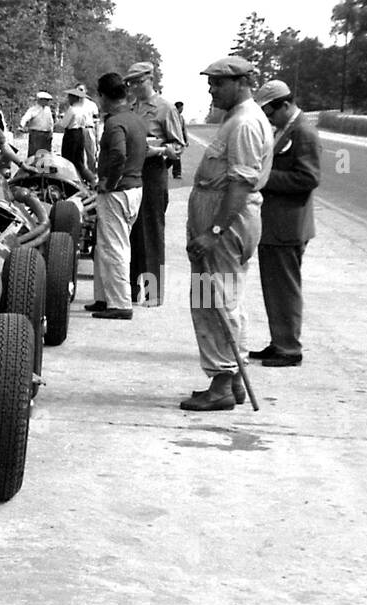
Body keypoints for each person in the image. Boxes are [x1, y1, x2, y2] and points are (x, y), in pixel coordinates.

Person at [180, 56, 272, 412]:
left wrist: (214, 231)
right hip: (220, 218)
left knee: (212, 301)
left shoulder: (246, 123)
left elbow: (240, 183)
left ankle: (220, 382)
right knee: (225, 298)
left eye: (218, 82)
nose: (211, 88)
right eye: (211, 82)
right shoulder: (235, 119)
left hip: (225, 223)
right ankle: (232, 380)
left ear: (242, 82)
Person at [250, 79, 320, 368]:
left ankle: (289, 348)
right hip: (276, 225)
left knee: (285, 289)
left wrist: (263, 178)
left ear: (286, 105)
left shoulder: (303, 132)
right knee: (275, 289)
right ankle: (280, 340)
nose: (267, 118)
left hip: (287, 225)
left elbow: (308, 178)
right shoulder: (287, 128)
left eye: (270, 112)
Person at [87, 72, 147, 320]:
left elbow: (119, 155)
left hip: (118, 191)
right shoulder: (134, 119)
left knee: (115, 248)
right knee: (105, 246)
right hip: (133, 188)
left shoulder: (115, 123)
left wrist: (108, 182)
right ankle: (105, 298)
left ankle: (120, 303)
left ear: (104, 96)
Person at [125, 61, 186, 306]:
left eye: (139, 82)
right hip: (132, 172)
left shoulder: (164, 108)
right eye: (132, 83)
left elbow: (178, 147)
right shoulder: (132, 107)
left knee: (151, 232)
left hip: (153, 172)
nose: (136, 87)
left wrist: (157, 149)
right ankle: (129, 290)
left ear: (150, 79)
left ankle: (153, 292)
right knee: (131, 232)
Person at [57, 86, 97, 185]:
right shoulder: (82, 110)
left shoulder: (72, 109)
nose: (68, 99)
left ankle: (71, 181)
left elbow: (64, 124)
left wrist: (59, 122)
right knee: (79, 160)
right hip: (80, 133)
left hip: (71, 134)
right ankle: (90, 179)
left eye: (70, 97)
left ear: (74, 98)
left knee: (68, 160)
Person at [20, 91, 55, 157]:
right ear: (40, 100)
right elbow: (25, 118)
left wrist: (51, 131)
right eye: (46, 100)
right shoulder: (33, 109)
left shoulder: (48, 110)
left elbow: (51, 122)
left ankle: (43, 167)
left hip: (46, 134)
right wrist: (21, 125)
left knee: (45, 155)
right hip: (36, 134)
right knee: (34, 154)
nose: (47, 102)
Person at [169, 101, 189, 179]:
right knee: (176, 155)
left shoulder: (181, 118)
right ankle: (177, 173)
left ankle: (163, 167)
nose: (182, 110)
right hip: (173, 139)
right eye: (181, 108)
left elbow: (184, 129)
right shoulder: (171, 117)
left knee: (174, 155)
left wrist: (186, 140)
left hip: (179, 140)